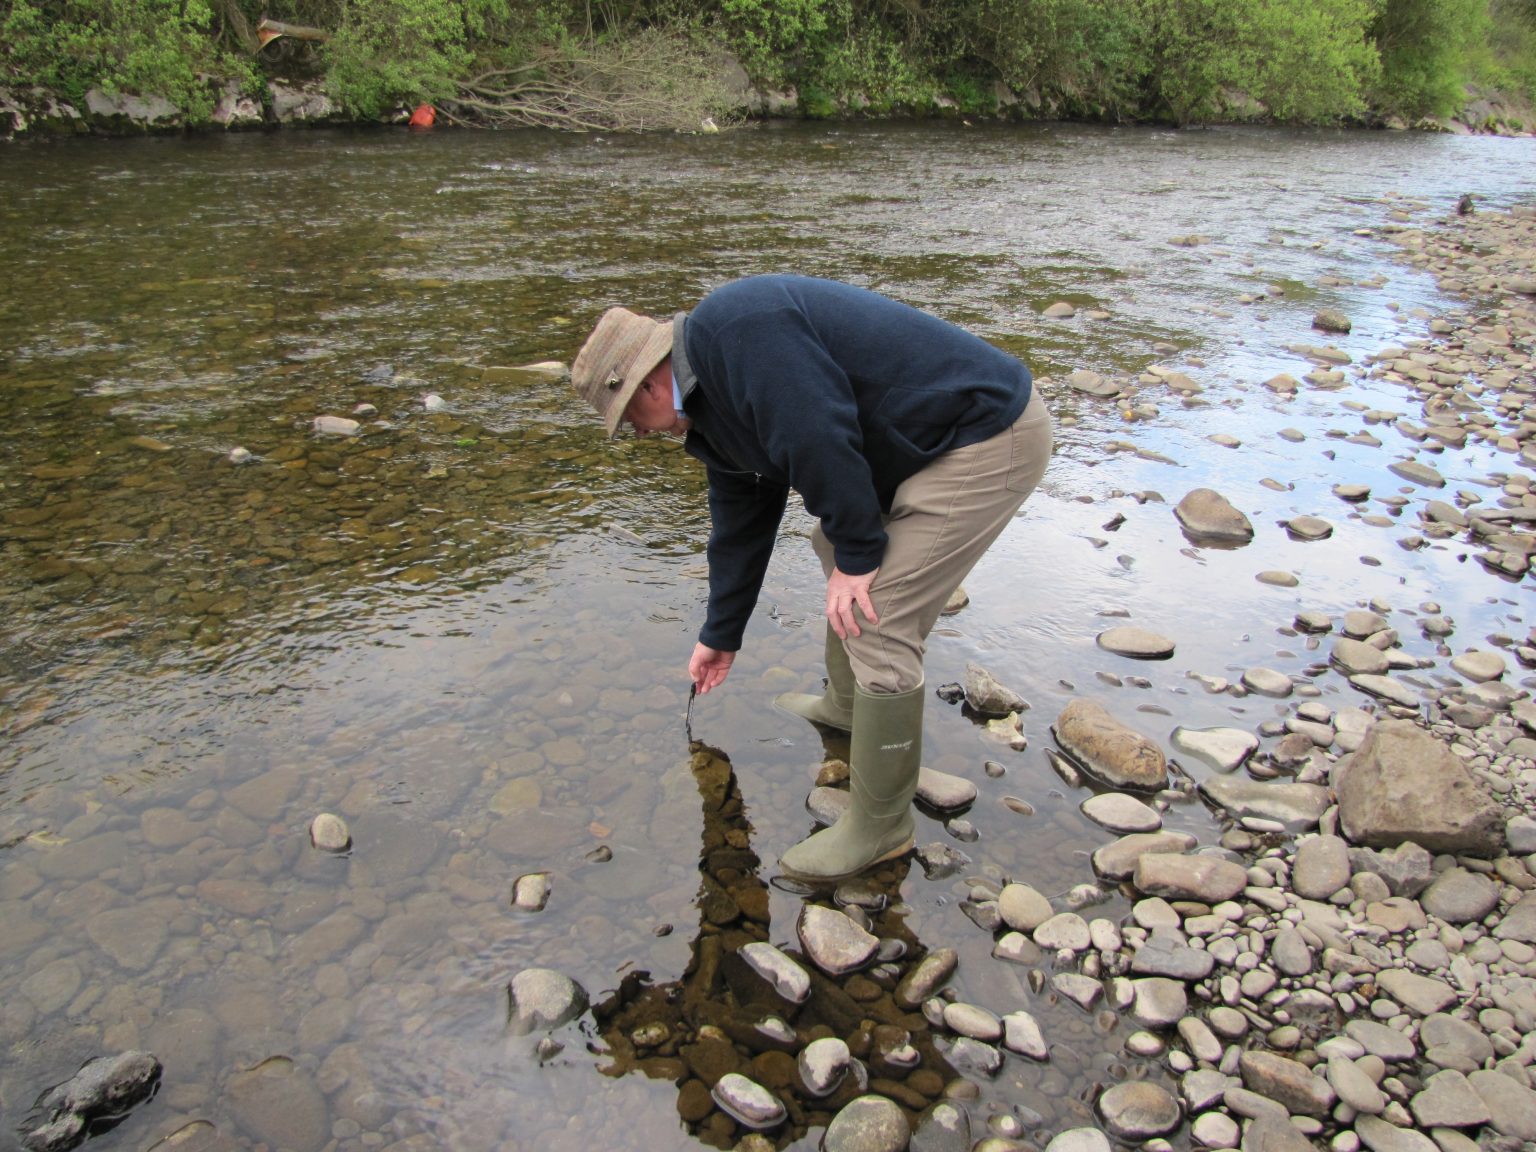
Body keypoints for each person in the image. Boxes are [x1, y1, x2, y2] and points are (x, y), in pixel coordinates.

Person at [571, 275, 1052, 883]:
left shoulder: (740, 331)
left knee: (877, 607)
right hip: (922, 445)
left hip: (987, 436)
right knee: (832, 538)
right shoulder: (710, 406)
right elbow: (741, 521)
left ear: (644, 381)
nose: (637, 434)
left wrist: (859, 555)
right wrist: (722, 633)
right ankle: (849, 708)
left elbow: (817, 432)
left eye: (627, 419)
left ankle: (881, 827)